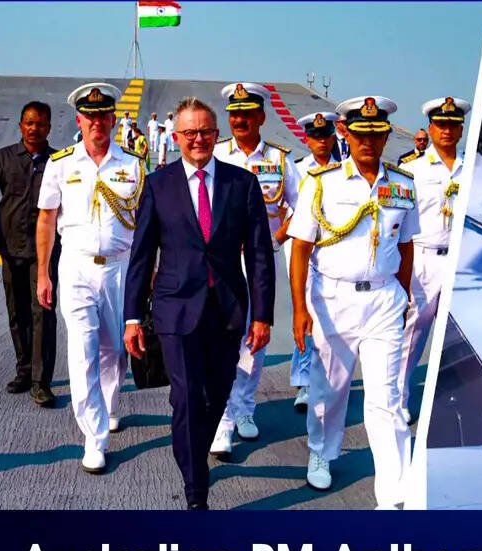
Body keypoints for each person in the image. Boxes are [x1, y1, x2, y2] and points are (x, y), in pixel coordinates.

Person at [123, 96, 273, 510]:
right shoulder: (158, 184)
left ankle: (192, 451)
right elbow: (142, 254)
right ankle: (196, 489)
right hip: (175, 308)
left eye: (206, 131)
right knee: (187, 396)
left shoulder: (241, 184)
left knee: (216, 394)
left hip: (227, 309)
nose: (198, 139)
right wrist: (133, 316)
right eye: (189, 133)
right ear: (176, 137)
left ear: (216, 134)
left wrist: (263, 315)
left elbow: (260, 254)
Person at [287, 95, 418, 508]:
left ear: (384, 138)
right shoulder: (322, 182)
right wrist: (299, 309)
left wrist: (405, 293)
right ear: (346, 132)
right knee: (331, 390)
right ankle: (322, 452)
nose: (369, 143)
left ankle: (395, 493)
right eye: (361, 134)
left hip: (383, 301)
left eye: (376, 135)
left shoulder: (403, 184)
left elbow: (407, 244)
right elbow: (301, 249)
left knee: (387, 400)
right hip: (333, 299)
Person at [35, 83, 147, 473]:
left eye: (104, 116)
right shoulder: (61, 164)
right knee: (82, 350)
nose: (97, 122)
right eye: (90, 116)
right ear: (79, 120)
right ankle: (94, 437)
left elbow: (145, 225)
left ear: (114, 120)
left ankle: (110, 405)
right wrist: (44, 274)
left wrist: (148, 274)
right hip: (77, 266)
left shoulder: (132, 164)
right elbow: (47, 219)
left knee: (114, 351)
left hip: (121, 268)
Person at [208, 82, 300, 457]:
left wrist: (274, 238)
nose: (240, 119)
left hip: (261, 261)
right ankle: (223, 421)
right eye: (234, 114)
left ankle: (245, 408)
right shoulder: (214, 155)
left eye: (247, 113)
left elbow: (302, 208)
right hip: (222, 263)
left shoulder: (280, 161)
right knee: (223, 337)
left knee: (256, 339)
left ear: (262, 117)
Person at [398, 97, 470, 411]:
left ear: (461, 128)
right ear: (430, 127)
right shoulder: (411, 169)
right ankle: (398, 398)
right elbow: (397, 221)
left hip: (461, 259)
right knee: (412, 333)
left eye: (453, 125)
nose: (447, 131)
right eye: (441, 124)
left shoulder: (472, 166)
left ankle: (449, 403)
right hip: (423, 259)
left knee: (459, 337)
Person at [0, 100, 59, 408]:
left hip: (44, 253)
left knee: (42, 313)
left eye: (41, 123)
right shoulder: (3, 159)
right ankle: (24, 371)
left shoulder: (59, 161)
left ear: (49, 127)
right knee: (17, 312)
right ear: (20, 125)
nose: (35, 128)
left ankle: (40, 381)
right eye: (30, 123)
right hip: (10, 248)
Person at [286, 110, 342, 413]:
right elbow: (293, 212)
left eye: (326, 136)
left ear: (333, 136)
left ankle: (318, 376)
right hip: (303, 250)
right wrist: (277, 240)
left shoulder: (345, 168)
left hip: (333, 250)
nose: (321, 141)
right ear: (307, 139)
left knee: (326, 316)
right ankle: (305, 381)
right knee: (304, 312)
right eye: (315, 137)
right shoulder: (298, 170)